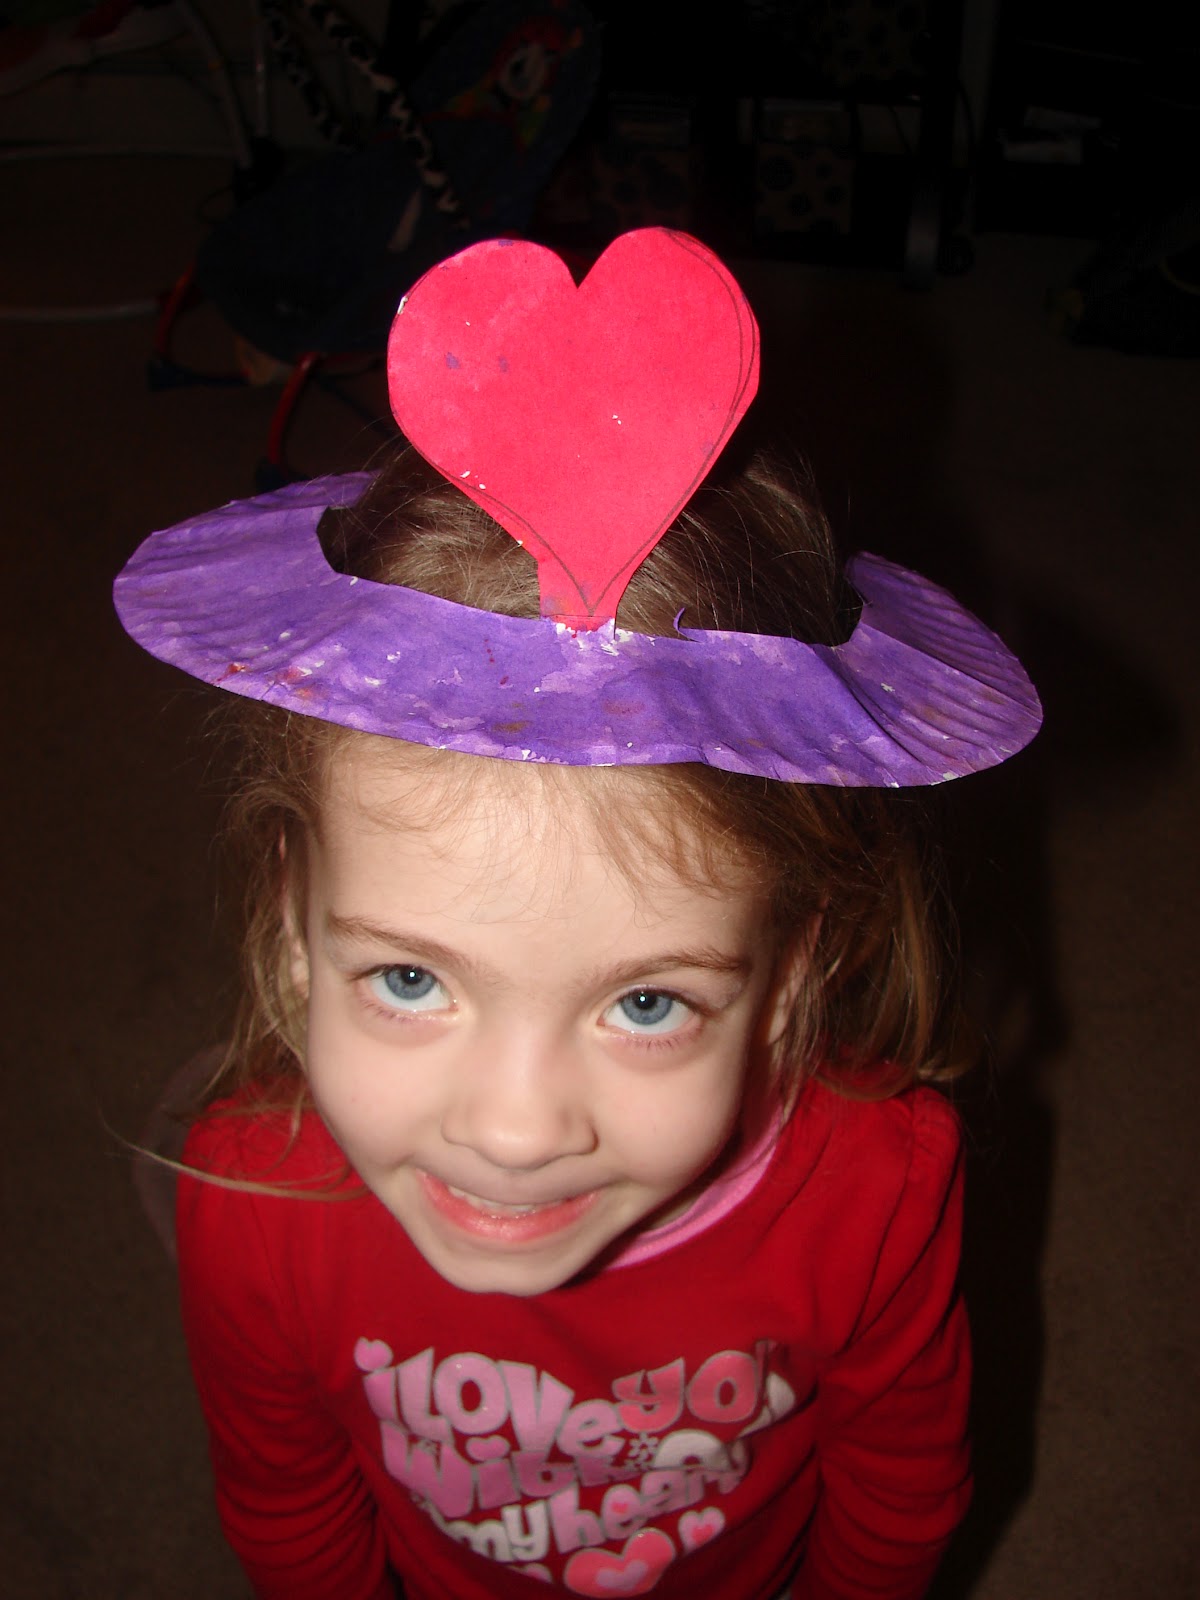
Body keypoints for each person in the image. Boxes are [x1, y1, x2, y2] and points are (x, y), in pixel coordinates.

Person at [114, 228, 1040, 1600]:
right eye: (412, 982)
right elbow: (287, 1502)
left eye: (646, 1002)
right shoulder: (253, 1210)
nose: (514, 1131)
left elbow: (902, 1484)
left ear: (794, 973)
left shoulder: (881, 1185)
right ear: (296, 916)